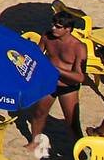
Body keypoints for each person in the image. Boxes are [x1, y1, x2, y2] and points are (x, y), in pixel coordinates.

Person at [28, 12, 88, 152]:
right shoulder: (47, 37)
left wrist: (58, 70)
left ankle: (80, 152)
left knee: (72, 123)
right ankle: (34, 142)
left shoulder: (79, 47)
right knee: (39, 114)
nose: (53, 28)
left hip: (67, 87)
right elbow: (37, 55)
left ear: (68, 29)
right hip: (49, 83)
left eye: (58, 26)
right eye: (53, 25)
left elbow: (80, 77)